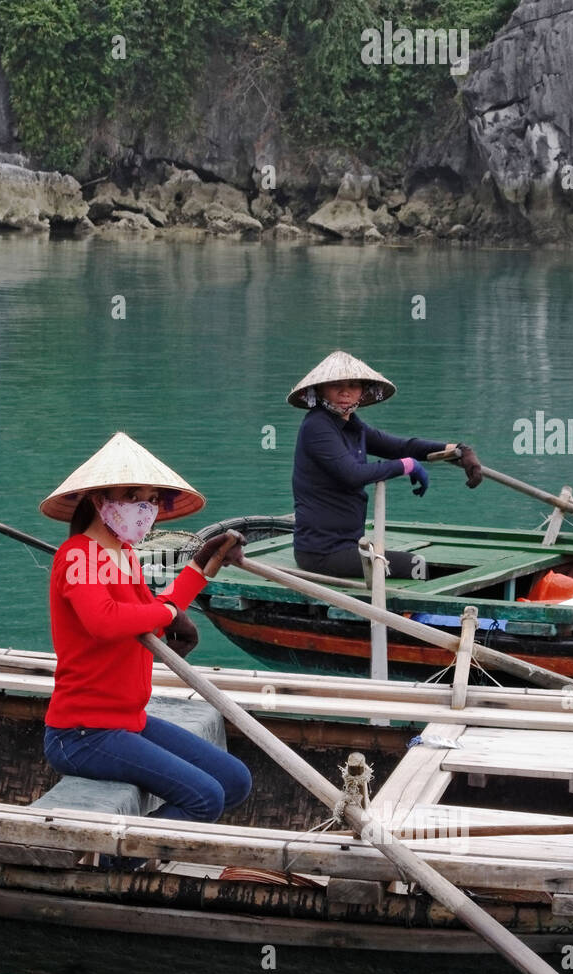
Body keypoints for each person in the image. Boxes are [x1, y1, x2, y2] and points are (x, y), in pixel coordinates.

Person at [40, 431, 252, 824]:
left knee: (235, 781)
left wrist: (200, 568)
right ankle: (113, 866)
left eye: (152, 500)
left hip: (128, 720)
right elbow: (105, 621)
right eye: (133, 497)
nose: (145, 508)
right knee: (204, 798)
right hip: (82, 734)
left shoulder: (124, 555)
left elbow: (151, 613)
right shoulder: (77, 556)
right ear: (99, 500)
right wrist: (168, 615)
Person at [288, 350, 481, 580]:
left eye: (353, 385)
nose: (345, 392)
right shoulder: (317, 426)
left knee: (429, 566)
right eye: (336, 385)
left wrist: (458, 450)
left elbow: (401, 447)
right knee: (416, 566)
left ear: (363, 391)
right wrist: (406, 466)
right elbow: (352, 474)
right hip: (322, 553)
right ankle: (411, 614)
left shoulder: (352, 425)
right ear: (320, 390)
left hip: (349, 544)